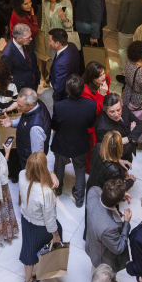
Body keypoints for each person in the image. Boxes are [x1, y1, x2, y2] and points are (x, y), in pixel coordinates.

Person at [50, 74, 97, 202]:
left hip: (62, 142)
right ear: (82, 89)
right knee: (80, 169)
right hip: (80, 142)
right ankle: (79, 197)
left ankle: (57, 189)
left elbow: (54, 125)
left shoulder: (59, 106)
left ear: (67, 90)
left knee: (59, 166)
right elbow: (91, 124)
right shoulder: (91, 105)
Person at [20, 152, 62, 282]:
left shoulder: (21, 175)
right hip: (41, 227)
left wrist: (52, 174)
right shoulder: (46, 192)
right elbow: (50, 220)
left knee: (28, 248)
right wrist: (56, 236)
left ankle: (28, 281)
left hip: (26, 220)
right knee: (50, 243)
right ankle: (47, 269)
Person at [0, 88, 51, 184]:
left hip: (29, 161)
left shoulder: (36, 128)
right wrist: (12, 122)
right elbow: (26, 119)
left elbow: (37, 155)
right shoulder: (37, 104)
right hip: (24, 154)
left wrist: (33, 170)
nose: (18, 108)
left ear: (31, 105)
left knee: (29, 182)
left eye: (20, 105)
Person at [85, 178, 132, 273]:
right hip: (102, 258)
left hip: (92, 243)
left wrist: (119, 197)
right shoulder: (109, 228)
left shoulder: (93, 191)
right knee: (102, 275)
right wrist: (126, 222)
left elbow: (104, 195)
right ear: (118, 202)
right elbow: (118, 248)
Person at [39, 0, 75, 79]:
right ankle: (52, 79)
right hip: (49, 38)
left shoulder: (65, 2)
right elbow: (43, 20)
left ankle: (60, 79)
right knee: (50, 59)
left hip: (60, 39)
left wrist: (63, 19)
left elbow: (70, 24)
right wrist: (42, 34)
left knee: (60, 60)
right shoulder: (45, 2)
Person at [122, 40, 142, 149]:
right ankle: (138, 142)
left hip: (128, 93)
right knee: (140, 121)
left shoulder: (129, 62)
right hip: (138, 98)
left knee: (129, 117)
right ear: (140, 54)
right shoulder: (141, 70)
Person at [95, 93, 142, 164]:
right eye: (112, 112)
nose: (116, 114)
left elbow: (140, 124)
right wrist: (132, 138)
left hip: (128, 154)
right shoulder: (102, 128)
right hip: (117, 161)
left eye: (118, 110)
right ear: (105, 110)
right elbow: (112, 151)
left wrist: (129, 137)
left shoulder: (124, 108)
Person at [1, 23, 41, 91]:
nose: (31, 39)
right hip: (22, 87)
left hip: (34, 80)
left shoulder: (27, 42)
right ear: (19, 39)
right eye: (28, 38)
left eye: (30, 36)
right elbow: (7, 75)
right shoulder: (7, 54)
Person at [82, 61, 108, 161]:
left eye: (103, 73)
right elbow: (94, 111)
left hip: (103, 121)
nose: (103, 77)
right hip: (93, 124)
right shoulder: (85, 91)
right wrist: (101, 95)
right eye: (100, 75)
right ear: (92, 77)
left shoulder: (105, 81)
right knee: (93, 149)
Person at [48, 28, 83, 101]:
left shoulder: (61, 64)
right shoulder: (72, 45)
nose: (49, 43)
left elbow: (59, 87)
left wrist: (55, 98)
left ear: (57, 43)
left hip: (64, 94)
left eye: (50, 41)